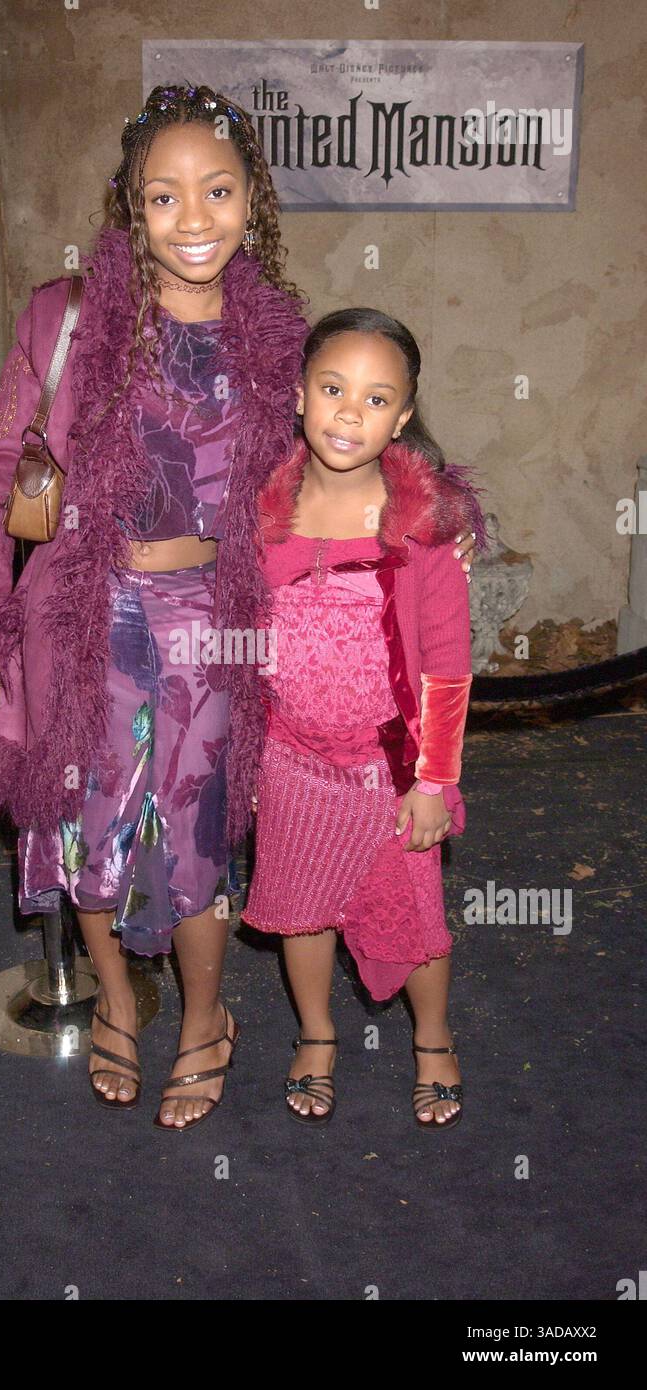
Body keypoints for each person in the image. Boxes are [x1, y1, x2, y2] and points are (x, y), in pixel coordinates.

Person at [0, 86, 479, 1133]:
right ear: (130, 205)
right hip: (85, 621)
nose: (193, 218)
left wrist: (431, 512)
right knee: (89, 827)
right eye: (164, 196)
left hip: (221, 630)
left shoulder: (281, 338)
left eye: (216, 190)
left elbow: (346, 453)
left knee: (199, 837)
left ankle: (205, 1021)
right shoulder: (62, 319)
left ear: (251, 200)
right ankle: (120, 1002)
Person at [240, 307, 485, 1129]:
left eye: (376, 399)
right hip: (289, 757)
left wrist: (432, 781)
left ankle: (433, 1039)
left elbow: (447, 666)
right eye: (332, 388)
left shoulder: (422, 526)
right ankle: (315, 1035)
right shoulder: (258, 509)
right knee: (298, 906)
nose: (349, 412)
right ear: (299, 393)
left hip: (389, 769)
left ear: (405, 416)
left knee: (413, 919)